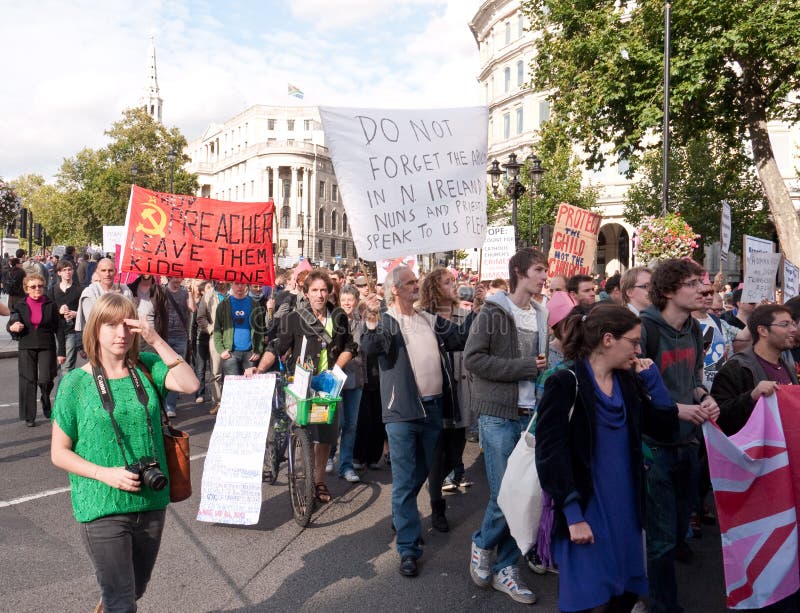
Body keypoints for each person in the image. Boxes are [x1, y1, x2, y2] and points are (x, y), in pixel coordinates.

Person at [50, 292, 199, 613]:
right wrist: (106, 474)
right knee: (122, 601)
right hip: (101, 504)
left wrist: (154, 338)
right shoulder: (75, 384)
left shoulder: (146, 368)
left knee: (135, 588)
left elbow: (190, 385)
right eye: (110, 326)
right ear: (94, 331)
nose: (120, 334)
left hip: (150, 500)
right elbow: (59, 453)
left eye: (126, 326)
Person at [536, 304, 679, 613]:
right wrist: (573, 515)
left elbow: (665, 429)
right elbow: (550, 454)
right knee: (589, 602)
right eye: (634, 341)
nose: (639, 349)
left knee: (623, 598)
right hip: (586, 510)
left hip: (626, 511)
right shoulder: (564, 383)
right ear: (608, 339)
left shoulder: (628, 382)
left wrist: (654, 381)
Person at [361, 265, 475, 578]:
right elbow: (370, 348)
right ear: (395, 289)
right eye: (409, 283)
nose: (415, 287)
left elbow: (460, 339)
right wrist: (370, 320)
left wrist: (478, 308)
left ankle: (403, 517)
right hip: (402, 412)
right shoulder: (386, 321)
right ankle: (409, 548)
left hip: (433, 409)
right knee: (404, 478)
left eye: (416, 282)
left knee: (420, 473)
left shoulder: (428, 319)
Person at [464, 247, 549, 604]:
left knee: (525, 496)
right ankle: (483, 544)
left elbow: (545, 362)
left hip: (530, 416)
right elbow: (473, 360)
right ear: (519, 272)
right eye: (538, 269)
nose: (545, 276)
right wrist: (525, 367)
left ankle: (506, 568)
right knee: (505, 495)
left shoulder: (542, 312)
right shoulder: (494, 311)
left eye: (545, 270)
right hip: (497, 414)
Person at [639, 258, 720, 613]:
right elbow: (633, 392)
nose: (702, 289)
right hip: (654, 448)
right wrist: (675, 409)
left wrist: (705, 398)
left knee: (675, 530)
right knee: (659, 539)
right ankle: (661, 605)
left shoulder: (692, 328)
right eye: (692, 283)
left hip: (687, 442)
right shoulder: (644, 329)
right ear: (669, 291)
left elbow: (695, 380)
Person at [250, 270, 355, 504]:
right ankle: (298, 464)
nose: (319, 295)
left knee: (326, 434)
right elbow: (276, 346)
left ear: (329, 293)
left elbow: (350, 346)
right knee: (303, 431)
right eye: (315, 290)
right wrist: (260, 368)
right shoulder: (294, 319)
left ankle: (318, 480)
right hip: (302, 383)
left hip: (328, 386)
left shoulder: (338, 317)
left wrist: (335, 370)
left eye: (323, 290)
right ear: (306, 293)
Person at [418, 267, 480, 533]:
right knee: (437, 452)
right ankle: (436, 505)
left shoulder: (464, 314)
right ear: (434, 287)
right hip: (437, 391)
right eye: (447, 282)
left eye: (453, 281)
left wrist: (477, 309)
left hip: (462, 390)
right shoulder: (423, 317)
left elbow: (471, 341)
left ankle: (425, 483)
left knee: (455, 452)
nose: (453, 285)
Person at [713, 304, 798, 436]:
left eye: (793, 324)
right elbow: (719, 415)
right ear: (763, 330)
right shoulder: (737, 367)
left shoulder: (788, 367)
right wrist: (752, 396)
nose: (793, 329)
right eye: (785, 324)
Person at [8, 273, 66, 426]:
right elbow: (13, 320)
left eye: (40, 286)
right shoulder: (20, 305)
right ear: (26, 289)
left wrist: (61, 352)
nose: (37, 289)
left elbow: (59, 329)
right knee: (28, 380)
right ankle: (29, 416)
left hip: (47, 345)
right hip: (26, 346)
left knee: (46, 379)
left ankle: (45, 396)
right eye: (33, 287)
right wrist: (12, 327)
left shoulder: (50, 304)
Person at [338, 285, 366, 482]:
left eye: (350, 299)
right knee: (335, 422)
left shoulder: (362, 323)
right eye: (344, 299)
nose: (347, 303)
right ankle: (329, 454)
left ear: (356, 301)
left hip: (355, 377)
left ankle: (346, 465)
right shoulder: (333, 320)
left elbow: (361, 347)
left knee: (351, 425)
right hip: (336, 377)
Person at [213, 281, 265, 379]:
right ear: (231, 284)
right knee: (232, 387)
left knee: (250, 387)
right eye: (236, 283)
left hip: (250, 352)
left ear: (246, 285)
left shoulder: (254, 304)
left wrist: (258, 350)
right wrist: (221, 350)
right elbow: (217, 330)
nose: (240, 287)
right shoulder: (223, 305)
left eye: (242, 283)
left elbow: (260, 329)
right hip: (230, 353)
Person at [75, 258, 133, 336]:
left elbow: (131, 315)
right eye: (103, 270)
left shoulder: (125, 290)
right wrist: (113, 299)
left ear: (115, 271)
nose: (107, 274)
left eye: (110, 270)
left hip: (122, 336)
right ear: (97, 272)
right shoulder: (90, 292)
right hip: (98, 338)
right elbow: (93, 321)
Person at [163, 277, 194, 417]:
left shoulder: (185, 293)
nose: (178, 280)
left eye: (180, 278)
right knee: (164, 371)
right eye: (175, 278)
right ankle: (162, 403)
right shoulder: (163, 292)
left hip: (181, 336)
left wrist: (190, 292)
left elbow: (192, 308)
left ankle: (170, 406)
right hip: (165, 336)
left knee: (176, 371)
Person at [48, 260, 82, 374]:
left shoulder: (79, 290)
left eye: (70, 269)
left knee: (67, 366)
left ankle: (64, 390)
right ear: (59, 273)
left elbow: (86, 311)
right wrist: (59, 311)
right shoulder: (52, 290)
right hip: (57, 331)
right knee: (57, 366)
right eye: (64, 270)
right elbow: (47, 311)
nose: (67, 272)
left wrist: (76, 313)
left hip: (72, 330)